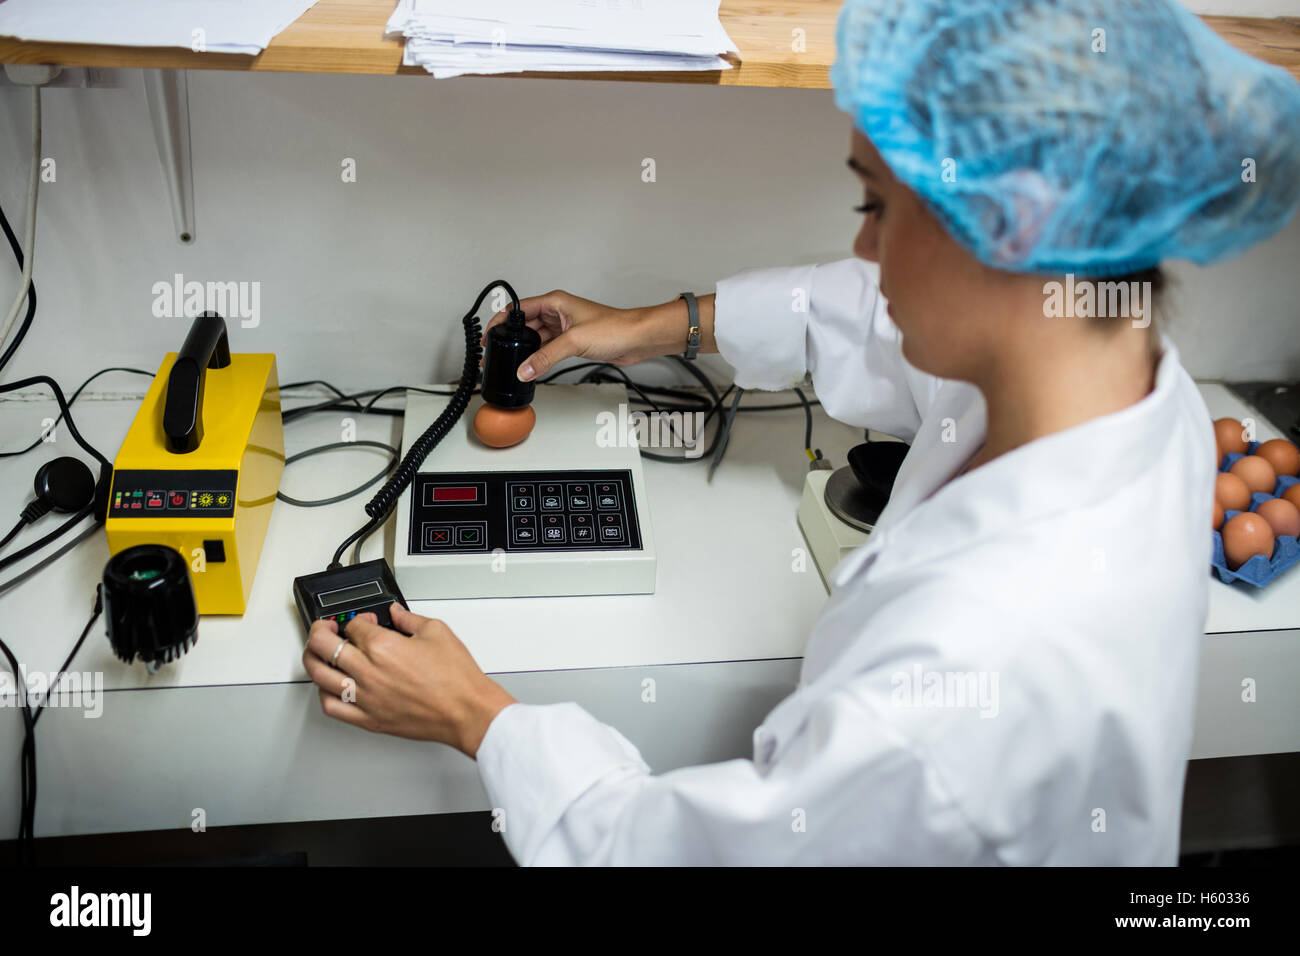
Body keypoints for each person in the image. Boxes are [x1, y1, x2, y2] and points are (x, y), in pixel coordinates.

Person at [303, 0, 1300, 864]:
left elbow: (666, 857)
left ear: (1012, 225)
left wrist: (477, 715)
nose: (861, 246)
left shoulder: (953, 689)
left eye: (876, 203)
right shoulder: (1137, 386)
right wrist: (649, 326)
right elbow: (861, 313)